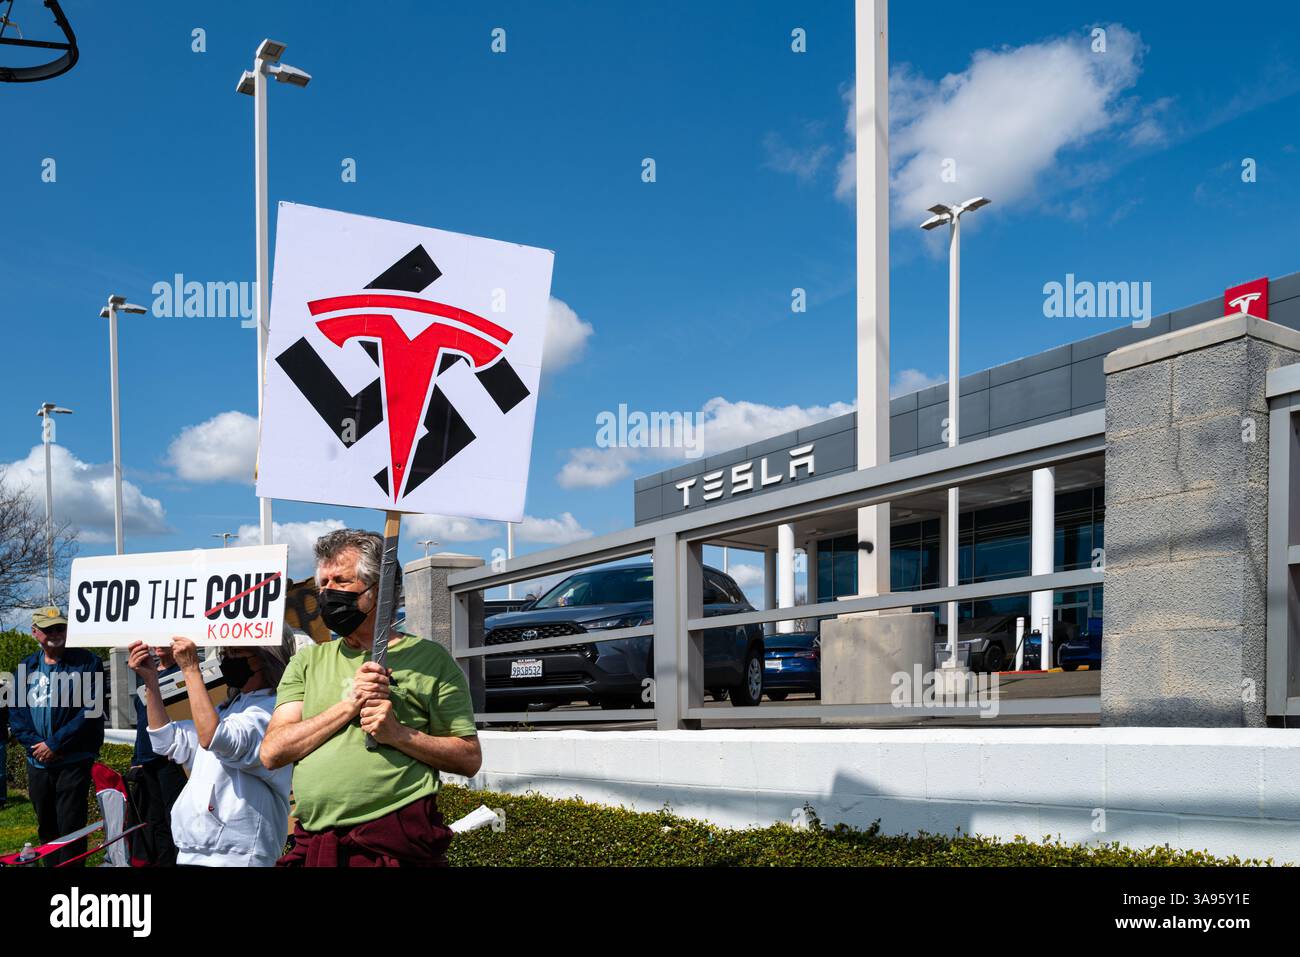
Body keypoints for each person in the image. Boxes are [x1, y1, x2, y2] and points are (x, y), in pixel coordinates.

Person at [261, 528, 482, 866]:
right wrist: (349, 705)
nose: (326, 593)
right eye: (323, 583)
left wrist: (399, 734)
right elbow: (273, 751)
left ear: (377, 592)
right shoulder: (307, 661)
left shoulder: (431, 660)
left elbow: (468, 759)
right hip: (318, 841)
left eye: (340, 581)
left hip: (392, 844)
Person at [128, 632, 294, 867]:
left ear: (265, 657)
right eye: (226, 653)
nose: (228, 659)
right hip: (194, 846)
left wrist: (190, 670)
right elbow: (166, 740)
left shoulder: (273, 709)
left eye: (236, 653)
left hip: (239, 851)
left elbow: (215, 737)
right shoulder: (230, 708)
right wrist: (151, 683)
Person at [9, 607, 105, 867]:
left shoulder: (88, 662)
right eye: (48, 629)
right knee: (46, 826)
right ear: (35, 632)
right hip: (38, 762)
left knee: (71, 827)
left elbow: (91, 710)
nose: (55, 633)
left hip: (73, 759)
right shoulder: (25, 667)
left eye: (60, 628)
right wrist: (36, 747)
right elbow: (16, 713)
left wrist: (55, 743)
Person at [126, 660, 186, 866]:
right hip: (147, 760)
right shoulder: (148, 671)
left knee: (175, 819)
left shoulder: (185, 672)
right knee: (156, 821)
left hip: (172, 760)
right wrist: (137, 758)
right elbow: (143, 723)